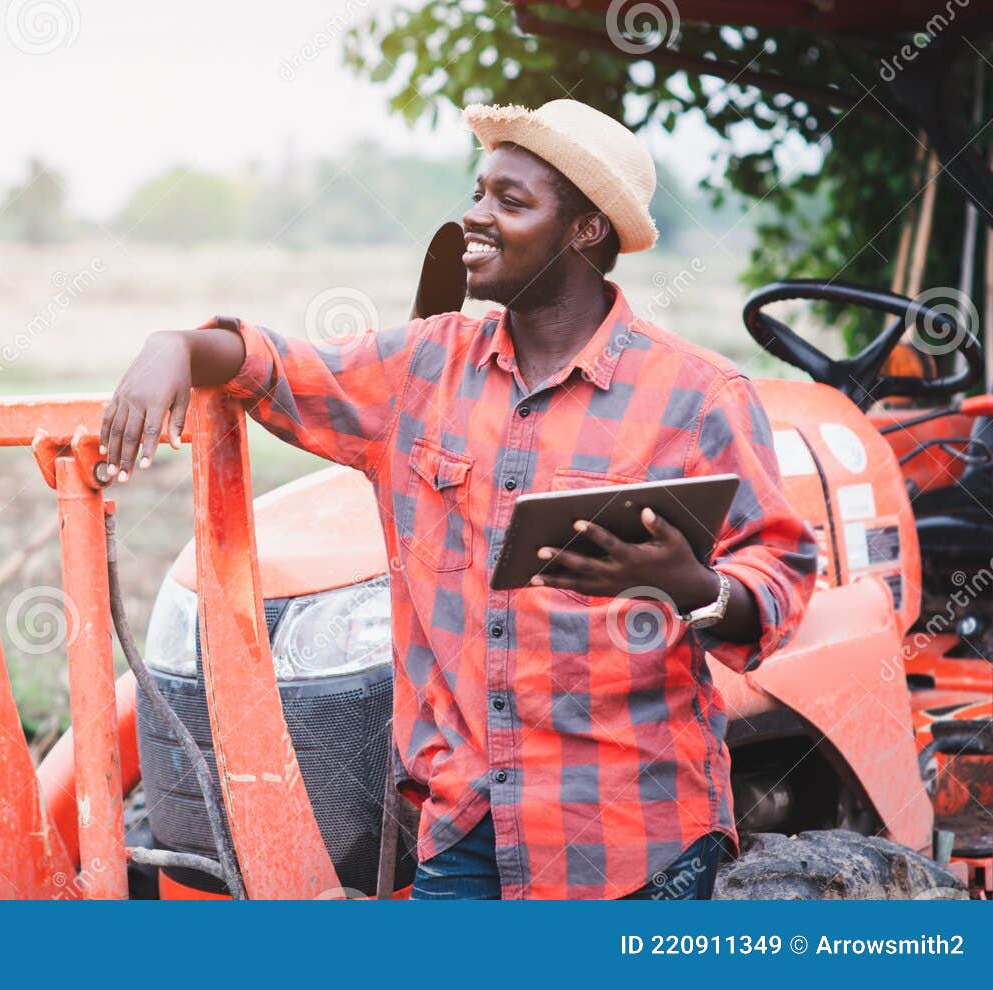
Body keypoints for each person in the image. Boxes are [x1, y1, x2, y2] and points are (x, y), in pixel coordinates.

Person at [98, 99, 818, 899]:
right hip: (466, 823)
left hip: (632, 844)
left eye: (510, 202)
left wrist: (694, 589)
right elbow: (276, 365)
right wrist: (178, 346)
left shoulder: (698, 396)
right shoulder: (420, 370)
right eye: (479, 192)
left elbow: (780, 576)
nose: (475, 217)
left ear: (585, 232)